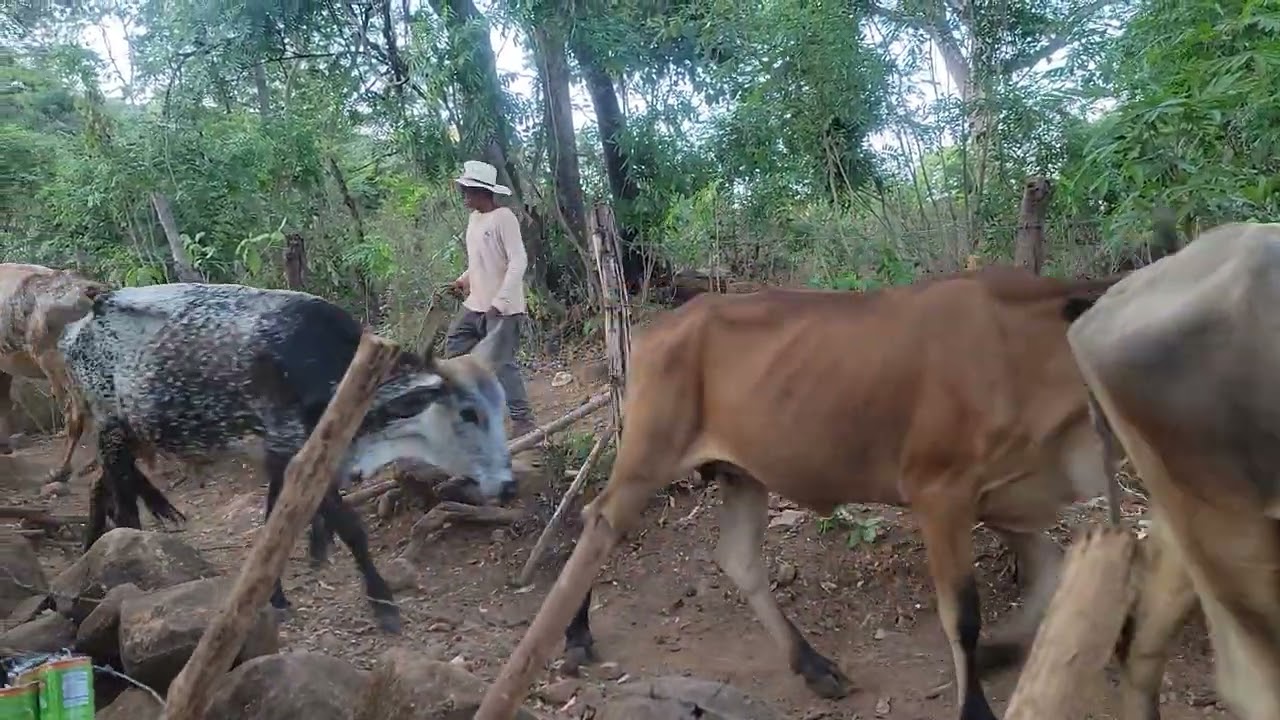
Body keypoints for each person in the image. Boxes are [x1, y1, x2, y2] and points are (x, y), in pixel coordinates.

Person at [446, 160, 537, 437]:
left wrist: (500, 301)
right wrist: (464, 280)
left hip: (503, 308)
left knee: (503, 362)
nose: (464, 196)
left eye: (468, 191)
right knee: (455, 347)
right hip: (476, 304)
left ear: (483, 192)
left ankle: (523, 421)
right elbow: (480, 260)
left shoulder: (504, 218)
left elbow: (518, 260)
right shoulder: (475, 219)